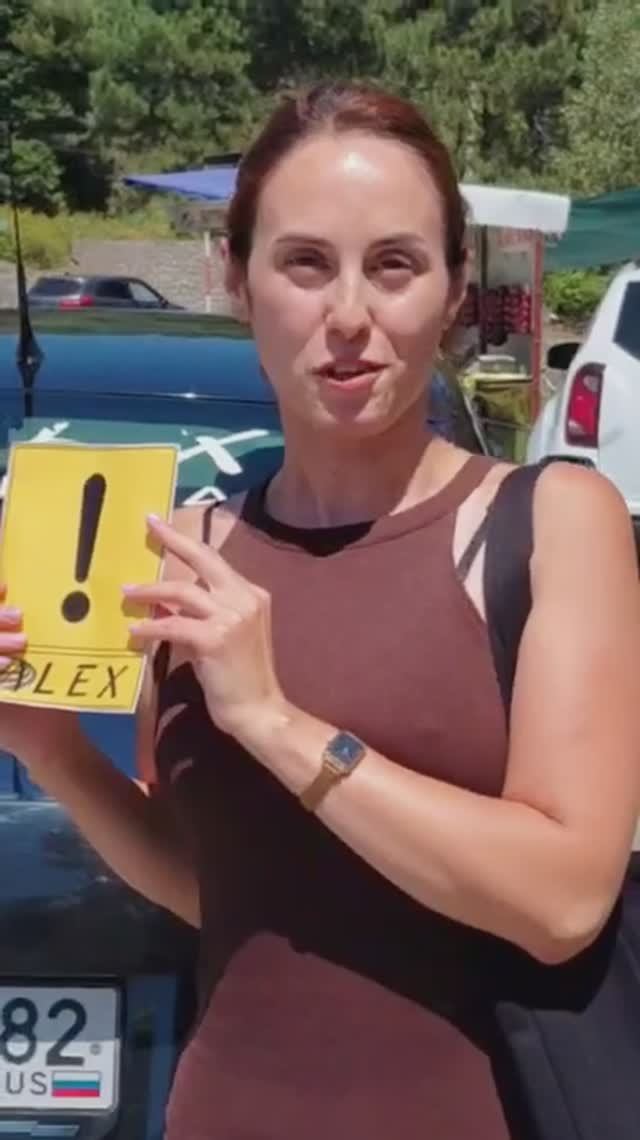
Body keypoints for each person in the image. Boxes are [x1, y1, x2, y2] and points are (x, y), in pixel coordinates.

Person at [1, 82, 640, 1139]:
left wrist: (277, 724)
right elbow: (216, 890)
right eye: (304, 262)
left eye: (393, 264)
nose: (348, 314)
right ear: (236, 280)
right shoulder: (188, 552)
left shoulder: (550, 522)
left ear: (454, 287)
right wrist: (54, 751)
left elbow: (563, 902)